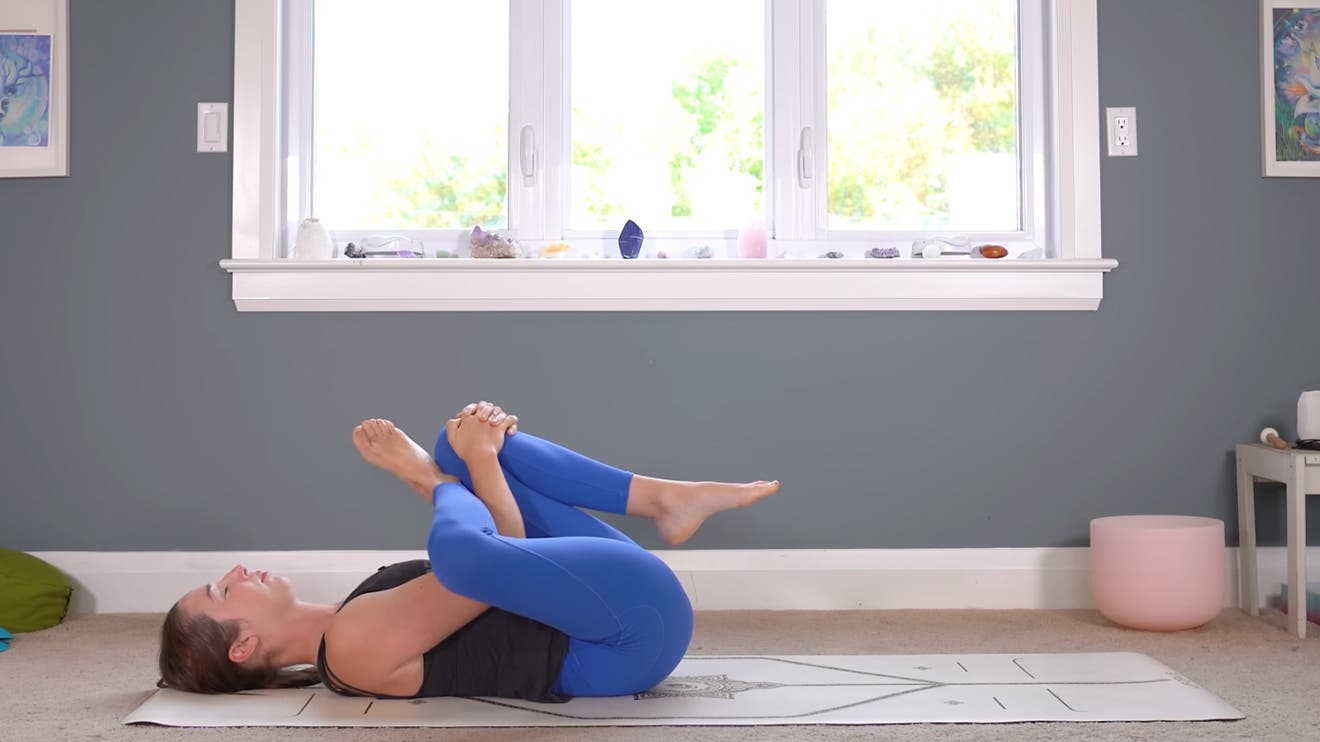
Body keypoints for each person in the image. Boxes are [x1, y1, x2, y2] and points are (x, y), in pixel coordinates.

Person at [158, 401, 779, 701]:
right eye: (222, 590)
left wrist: (468, 460)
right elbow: (492, 557)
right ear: (242, 646)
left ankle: (664, 500)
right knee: (460, 543)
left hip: (607, 602)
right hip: (624, 640)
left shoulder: (354, 618)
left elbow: (502, 555)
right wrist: (445, 477)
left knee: (452, 447)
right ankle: (435, 476)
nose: (236, 571)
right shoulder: (349, 649)